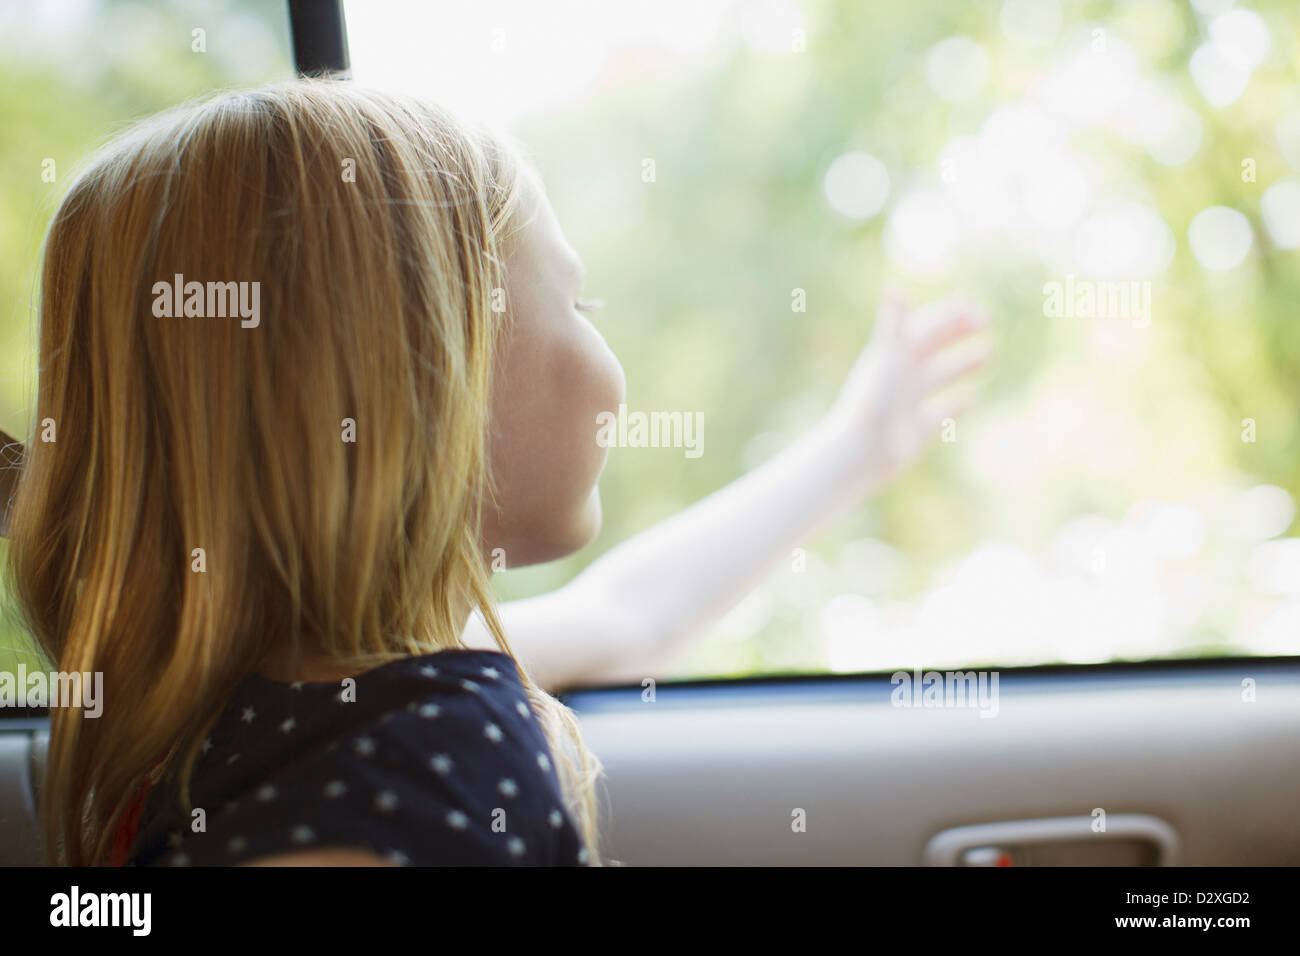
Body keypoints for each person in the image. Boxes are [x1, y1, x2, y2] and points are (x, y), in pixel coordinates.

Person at [0, 80, 988, 866]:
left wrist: (855, 445)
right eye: (581, 302)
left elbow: (629, 613)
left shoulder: (264, 699)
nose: (607, 358)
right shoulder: (430, 744)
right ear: (427, 384)